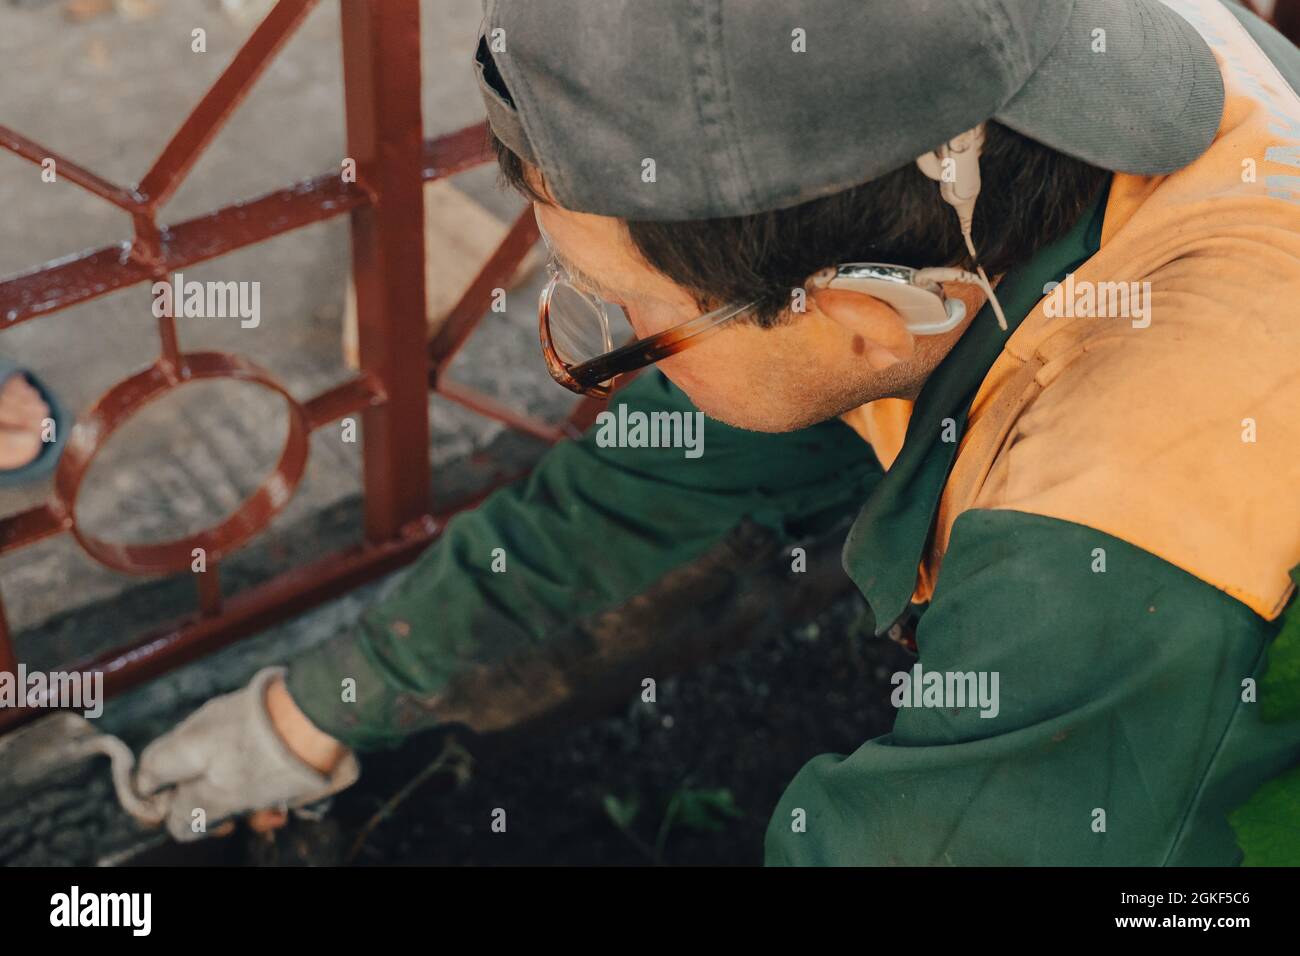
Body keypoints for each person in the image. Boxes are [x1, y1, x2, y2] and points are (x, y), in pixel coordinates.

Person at [135, 0, 1300, 865]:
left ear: (858, 313)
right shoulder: (1031, 67)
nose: (609, 342)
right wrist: (317, 707)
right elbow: (664, 480)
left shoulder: (1118, 535)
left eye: (625, 315)